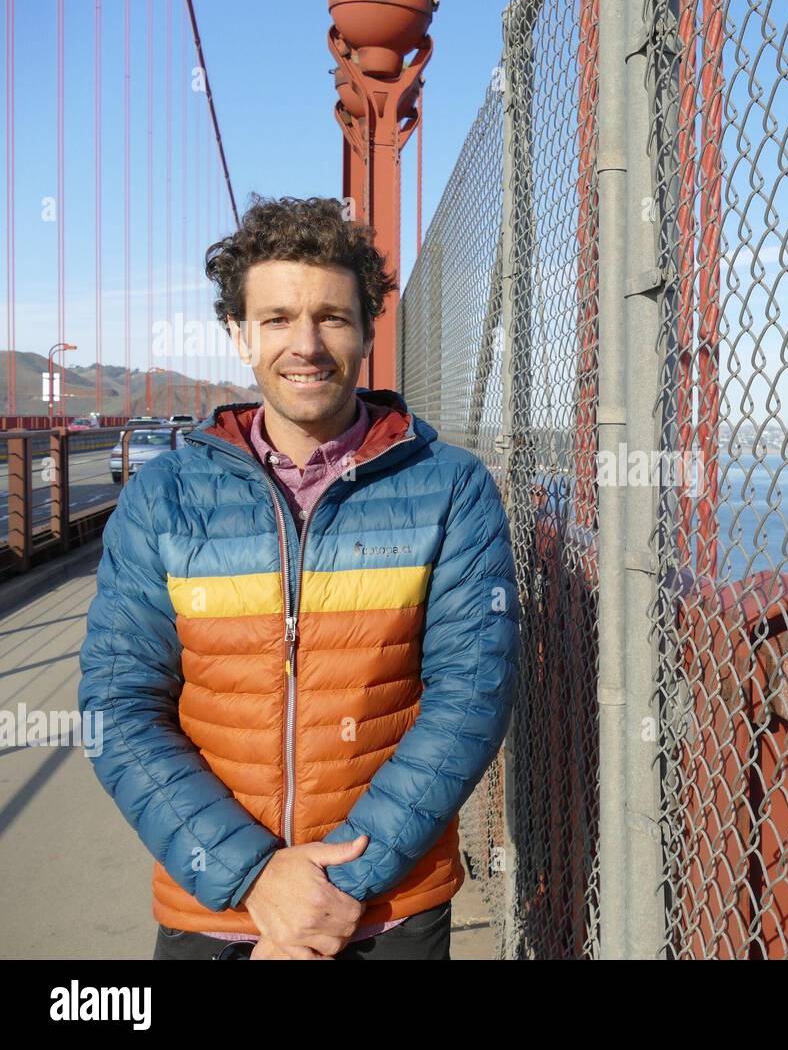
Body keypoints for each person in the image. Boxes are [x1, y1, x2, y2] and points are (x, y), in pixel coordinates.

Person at [77, 194, 521, 960]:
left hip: (389, 908)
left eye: (332, 318)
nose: (306, 344)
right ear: (239, 334)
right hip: (215, 907)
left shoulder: (453, 487)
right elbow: (117, 706)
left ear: (366, 331)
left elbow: (471, 697)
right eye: (277, 318)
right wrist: (254, 879)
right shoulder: (164, 497)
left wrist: (331, 892)